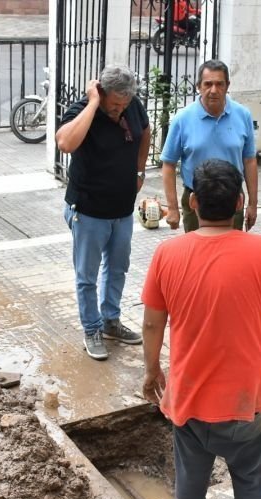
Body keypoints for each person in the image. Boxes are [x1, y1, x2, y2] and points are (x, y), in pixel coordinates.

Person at [141, 159, 261, 499]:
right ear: (240, 203)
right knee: (251, 480)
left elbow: (153, 324)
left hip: (188, 399)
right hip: (247, 401)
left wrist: (152, 370)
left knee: (191, 476)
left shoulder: (168, 253)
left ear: (192, 202)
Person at [56, 65, 151, 361]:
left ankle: (111, 320)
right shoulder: (84, 109)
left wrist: (139, 170)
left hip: (122, 209)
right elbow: (65, 143)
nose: (119, 111)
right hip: (88, 210)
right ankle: (92, 328)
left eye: (124, 105)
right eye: (114, 105)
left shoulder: (133, 106)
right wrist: (94, 103)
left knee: (118, 268)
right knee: (87, 276)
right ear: (101, 94)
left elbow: (145, 132)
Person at [161, 60, 259, 233]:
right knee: (197, 254)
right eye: (208, 84)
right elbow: (168, 165)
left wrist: (253, 203)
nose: (214, 90)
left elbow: (250, 161)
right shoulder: (183, 119)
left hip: (232, 198)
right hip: (196, 199)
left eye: (219, 84)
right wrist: (173, 208)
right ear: (198, 86)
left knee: (230, 254)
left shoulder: (243, 115)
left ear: (227, 85)